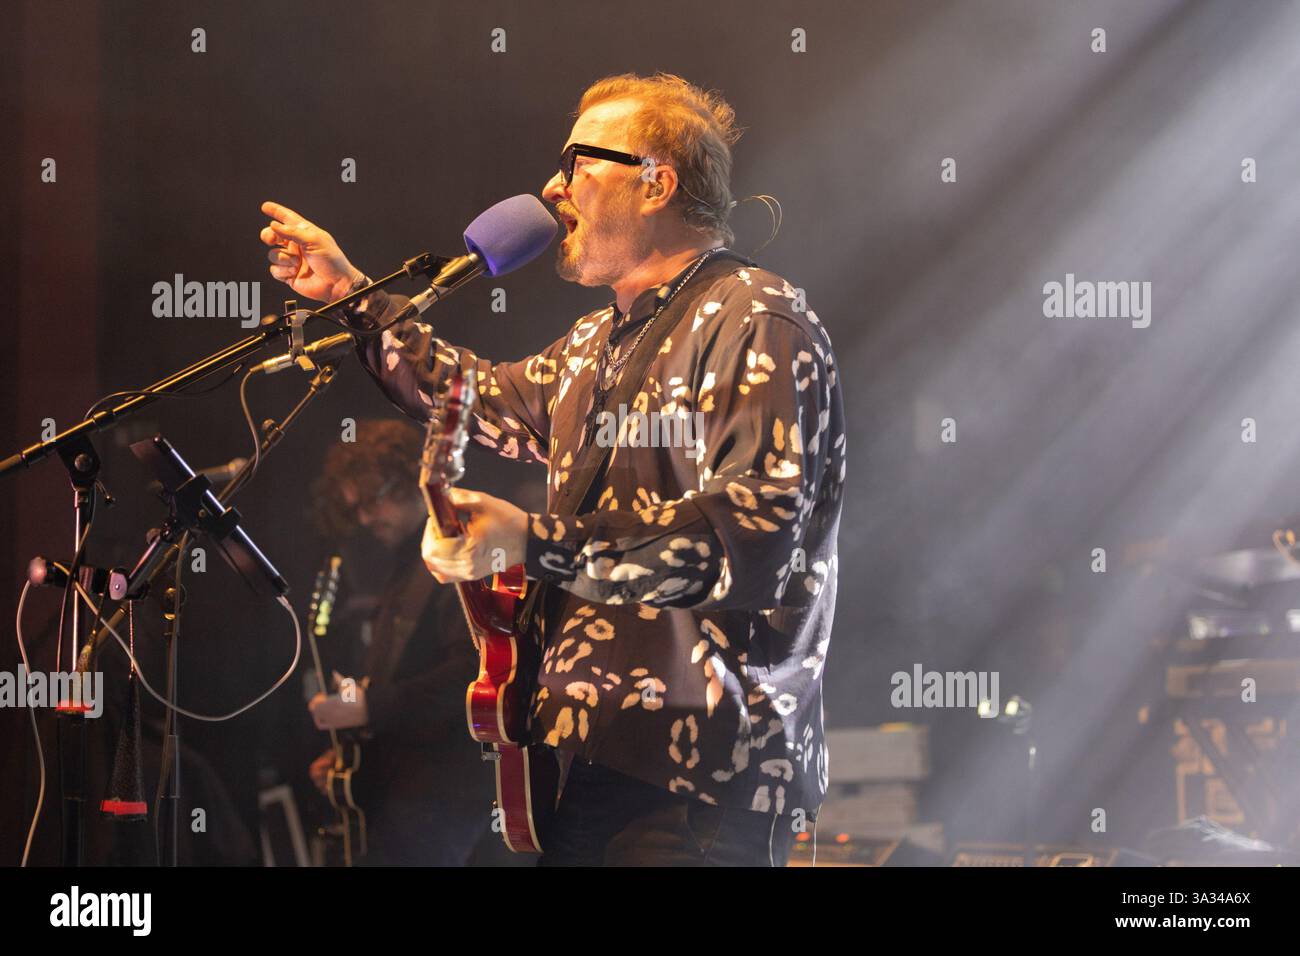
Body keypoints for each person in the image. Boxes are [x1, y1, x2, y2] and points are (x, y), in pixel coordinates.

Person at [261, 72, 845, 866]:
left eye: (577, 163)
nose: (552, 186)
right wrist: (355, 297)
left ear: (656, 182)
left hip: (709, 775)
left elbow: (750, 545)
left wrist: (535, 541)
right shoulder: (592, 344)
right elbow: (468, 401)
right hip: (588, 762)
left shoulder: (758, 317)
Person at [305, 418, 494, 866]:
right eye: (356, 509)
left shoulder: (453, 554)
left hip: (446, 794)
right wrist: (352, 747)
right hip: (408, 791)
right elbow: (401, 674)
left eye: (373, 500)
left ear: (412, 477)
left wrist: (370, 707)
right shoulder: (404, 565)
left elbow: (473, 674)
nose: (367, 518)